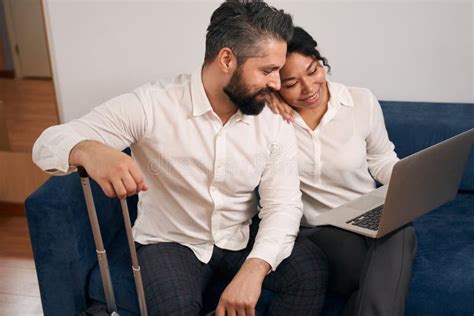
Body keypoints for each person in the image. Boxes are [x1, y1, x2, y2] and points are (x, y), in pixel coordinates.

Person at [32, 2, 329, 315]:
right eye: (267, 71)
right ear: (227, 59)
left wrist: (254, 270)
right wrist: (89, 150)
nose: (276, 85)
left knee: (310, 269)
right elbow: (47, 143)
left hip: (238, 233)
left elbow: (283, 205)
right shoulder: (152, 105)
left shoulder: (272, 117)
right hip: (170, 241)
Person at [267, 26, 417, 316]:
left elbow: (381, 158)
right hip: (318, 228)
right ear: (275, 84)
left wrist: (409, 181)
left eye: (313, 71)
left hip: (368, 216)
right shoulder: (270, 117)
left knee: (400, 230)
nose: (309, 87)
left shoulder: (360, 101)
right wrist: (261, 99)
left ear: (320, 61)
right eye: (291, 83)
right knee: (379, 272)